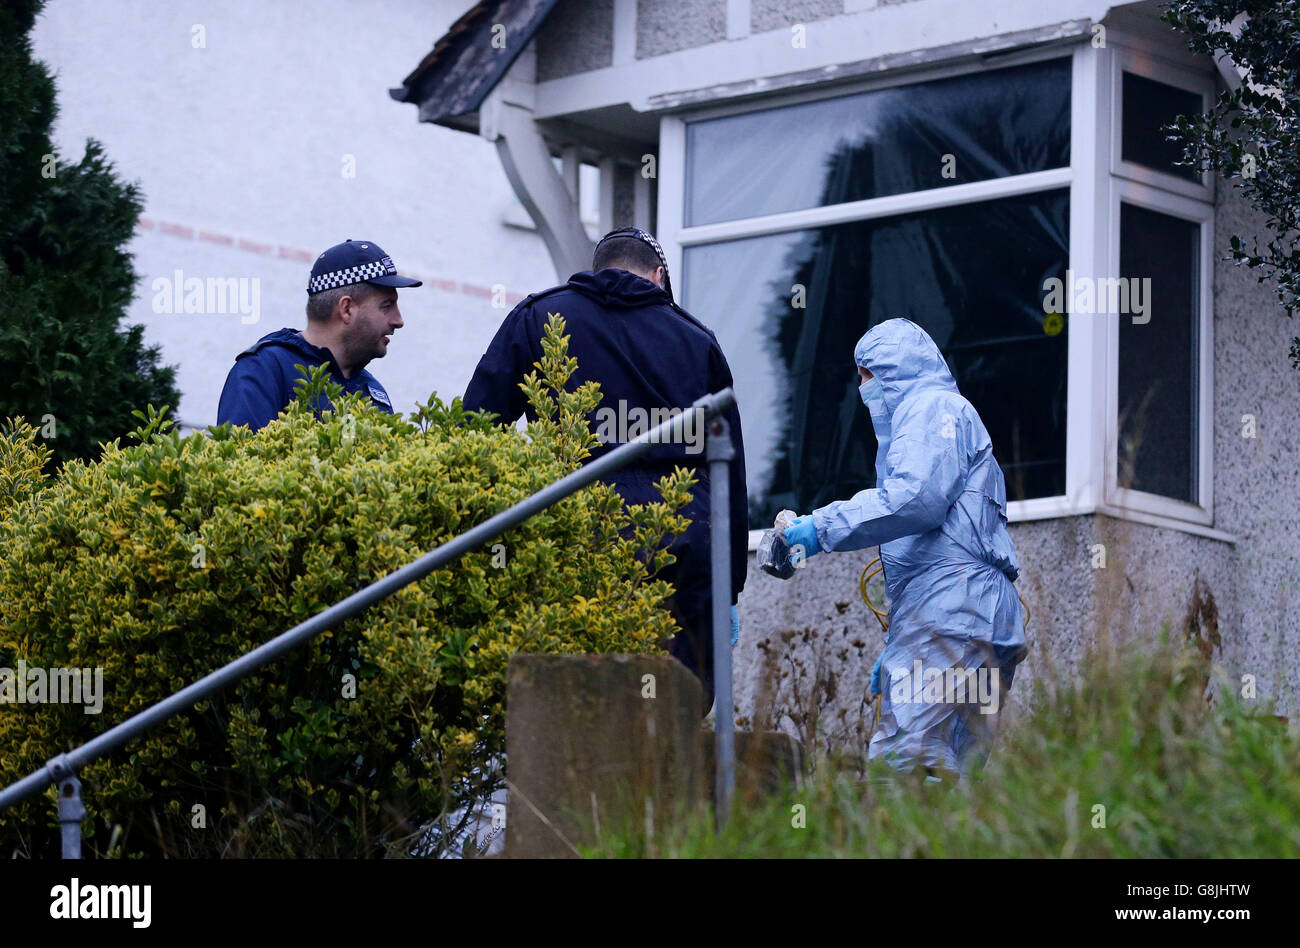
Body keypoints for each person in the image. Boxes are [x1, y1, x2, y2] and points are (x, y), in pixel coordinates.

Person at [462, 228, 748, 711]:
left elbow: (476, 426)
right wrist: (732, 579)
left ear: (601, 268)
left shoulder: (539, 317)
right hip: (681, 538)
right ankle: (661, 783)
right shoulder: (696, 340)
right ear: (659, 276)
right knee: (677, 700)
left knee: (577, 698)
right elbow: (727, 469)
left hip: (579, 529)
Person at [781, 318, 1027, 775]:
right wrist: (908, 637)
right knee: (957, 774)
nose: (862, 388)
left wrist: (819, 528)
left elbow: (918, 498)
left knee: (908, 769)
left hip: (950, 610)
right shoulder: (948, 412)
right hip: (970, 614)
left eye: (865, 375)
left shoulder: (930, 408)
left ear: (891, 371)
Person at [217, 239, 422, 430]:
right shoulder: (264, 370)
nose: (398, 320)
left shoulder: (372, 391)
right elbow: (239, 462)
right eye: (387, 306)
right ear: (347, 309)